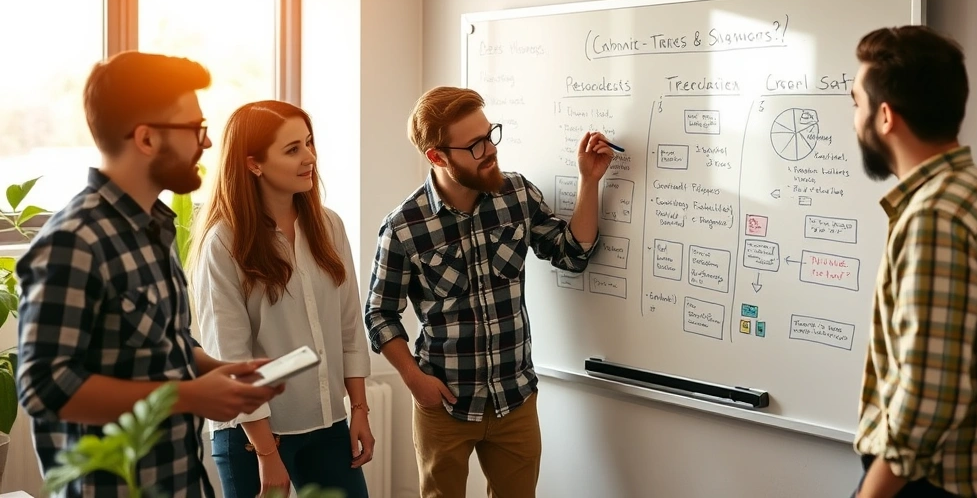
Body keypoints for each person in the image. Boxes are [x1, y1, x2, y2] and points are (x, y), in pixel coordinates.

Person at [16, 51, 283, 498]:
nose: (207, 143)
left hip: (177, 480)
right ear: (145, 139)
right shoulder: (74, 241)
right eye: (195, 130)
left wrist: (221, 371)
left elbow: (162, 341)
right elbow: (45, 387)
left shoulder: (154, 227)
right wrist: (189, 395)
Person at [364, 86, 613, 498]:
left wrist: (589, 180)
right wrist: (413, 379)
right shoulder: (403, 226)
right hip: (444, 403)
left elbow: (573, 253)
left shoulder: (515, 195)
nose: (490, 150)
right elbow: (379, 313)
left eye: (490, 135)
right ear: (437, 156)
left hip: (515, 398)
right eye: (475, 145)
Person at [851, 26, 977, 497]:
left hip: (934, 486)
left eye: (856, 103)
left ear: (885, 116)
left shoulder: (935, 217)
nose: (854, 119)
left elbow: (927, 400)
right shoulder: (973, 192)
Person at [189, 100, 373, 498]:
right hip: (251, 434)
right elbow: (231, 356)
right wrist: (267, 453)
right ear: (253, 163)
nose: (309, 157)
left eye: (308, 143)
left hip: (326, 423)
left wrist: (359, 409)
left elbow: (348, 325)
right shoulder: (223, 242)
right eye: (292, 150)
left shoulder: (328, 225)